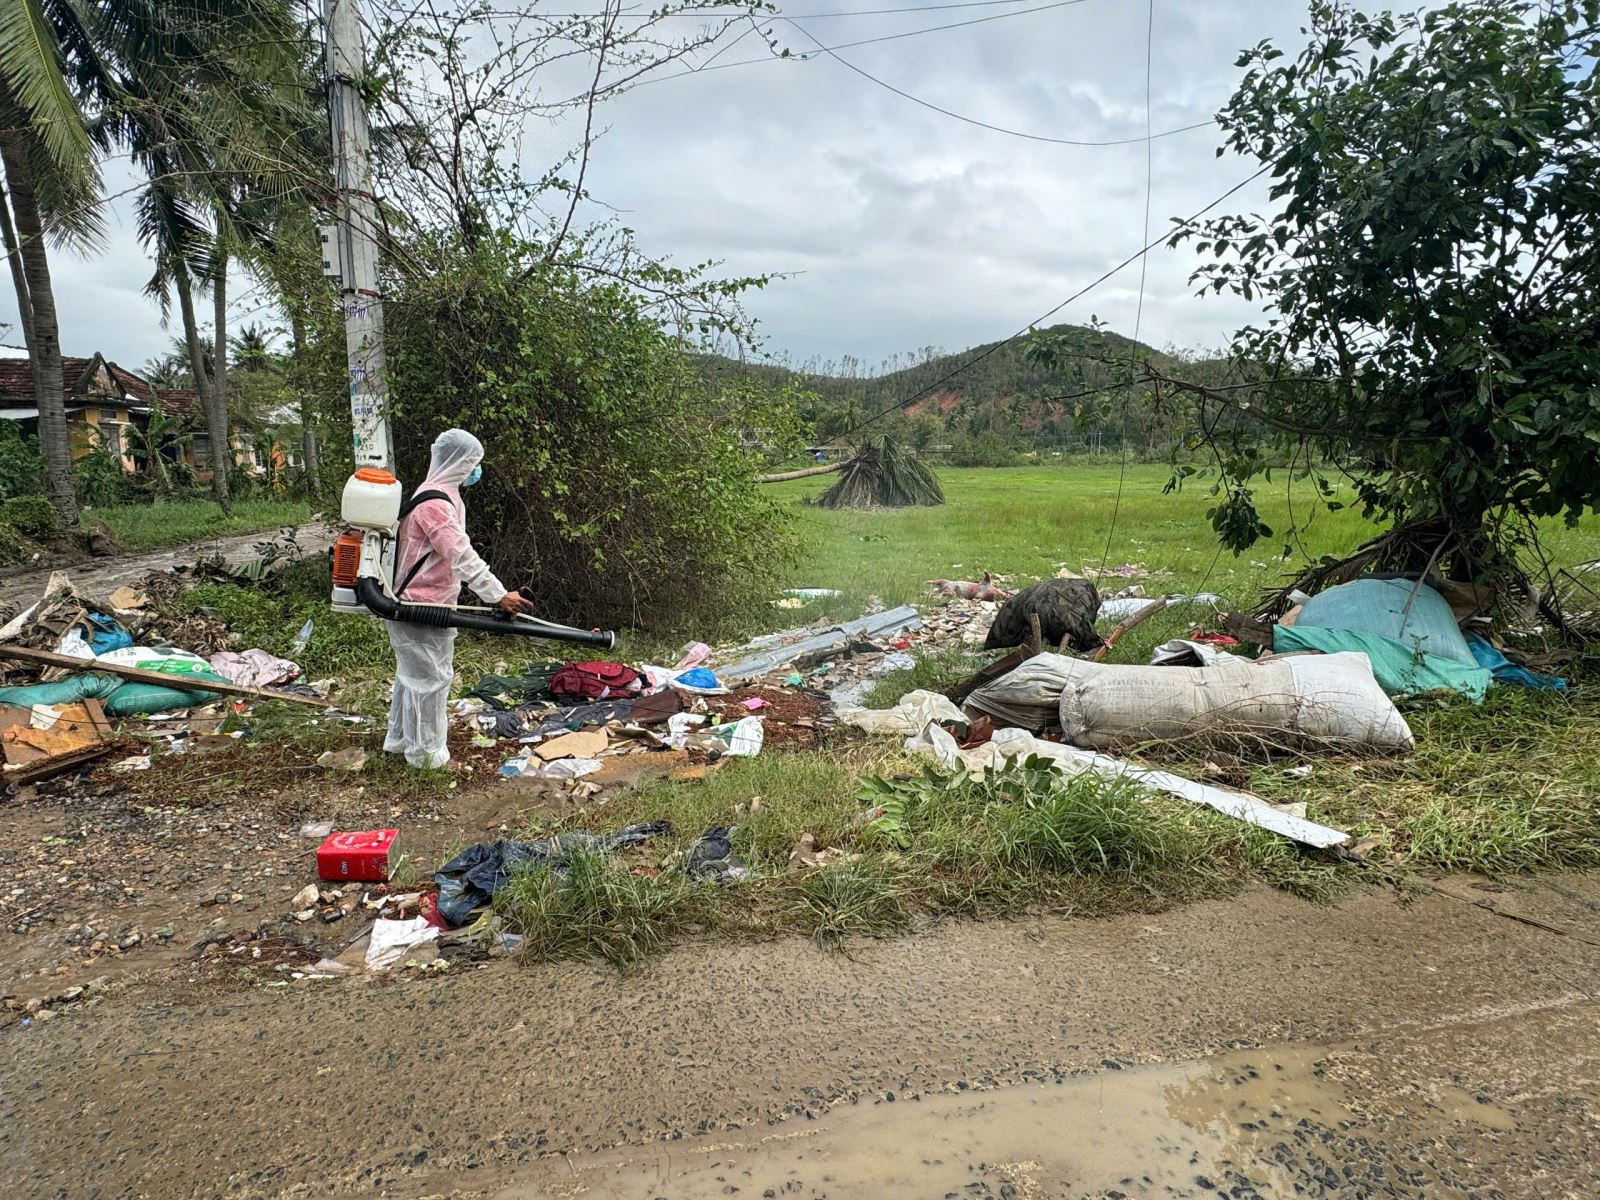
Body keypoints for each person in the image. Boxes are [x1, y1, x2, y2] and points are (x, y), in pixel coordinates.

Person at [384, 429, 532, 768]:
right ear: (459, 462)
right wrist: (498, 595)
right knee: (429, 681)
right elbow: (461, 555)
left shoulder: (438, 494)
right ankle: (427, 757)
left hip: (422, 602)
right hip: (422, 606)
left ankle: (400, 742)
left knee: (411, 677)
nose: (475, 471)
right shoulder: (436, 503)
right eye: (473, 463)